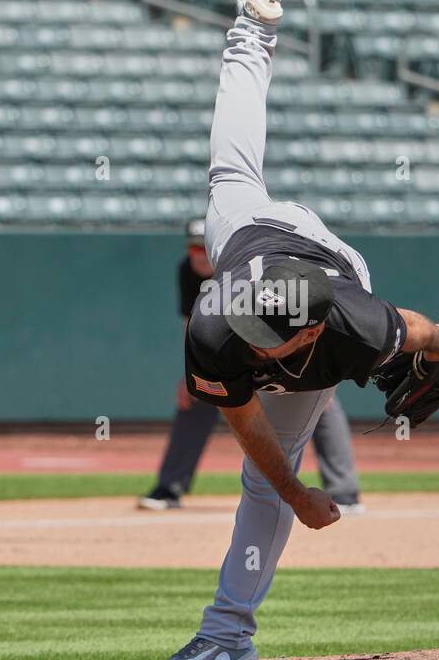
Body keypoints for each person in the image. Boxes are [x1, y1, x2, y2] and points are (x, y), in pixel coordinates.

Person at [148, 0, 439, 660]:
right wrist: (299, 493)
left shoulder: (359, 328)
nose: (254, 346)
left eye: (269, 340)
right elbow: (240, 415)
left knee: (261, 484)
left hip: (332, 266)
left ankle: (225, 636)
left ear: (307, 334)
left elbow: (425, 335)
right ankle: (252, 32)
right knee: (230, 167)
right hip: (250, 234)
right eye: (249, 330)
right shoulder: (215, 324)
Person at [138, 219, 365, 515]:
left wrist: (323, 378)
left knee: (322, 405)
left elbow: (308, 313)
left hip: (279, 346)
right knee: (198, 395)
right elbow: (189, 322)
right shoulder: (187, 271)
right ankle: (169, 488)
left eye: (202, 247)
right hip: (229, 352)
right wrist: (189, 371)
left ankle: (344, 492)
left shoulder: (240, 266)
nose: (198, 254)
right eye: (193, 247)